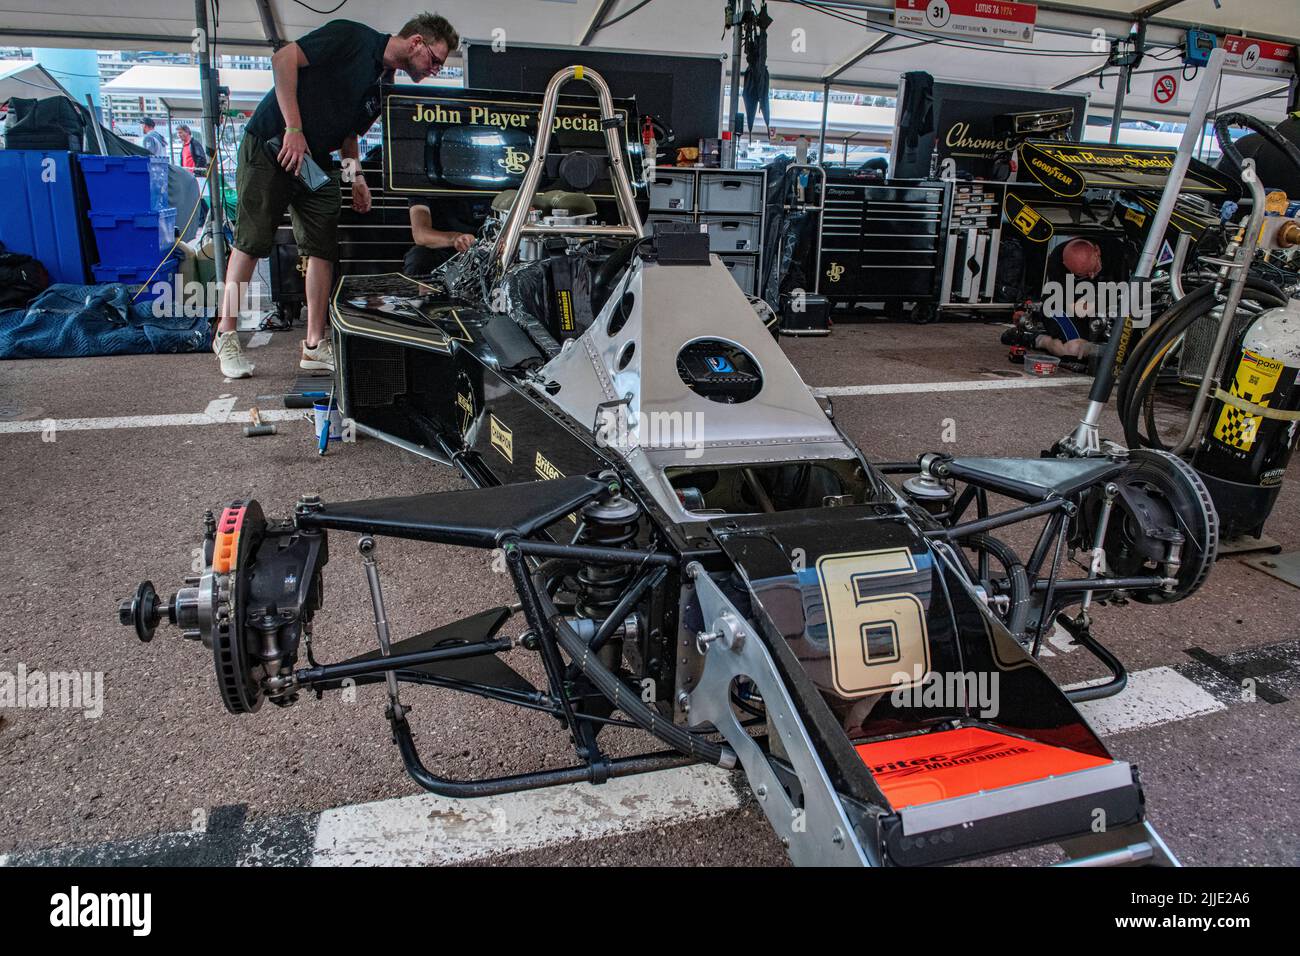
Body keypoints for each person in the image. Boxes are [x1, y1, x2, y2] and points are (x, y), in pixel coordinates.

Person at [212, 13, 458, 379]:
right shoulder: (351, 36)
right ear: (417, 42)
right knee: (251, 242)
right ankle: (226, 333)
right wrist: (294, 127)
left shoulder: (383, 83)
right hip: (271, 143)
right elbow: (282, 59)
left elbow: (349, 137)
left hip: (313, 162)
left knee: (323, 247)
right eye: (435, 60)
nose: (435, 69)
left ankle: (313, 344)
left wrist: (355, 177)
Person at [1002, 238, 1106, 366]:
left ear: (1098, 252)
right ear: (1066, 265)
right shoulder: (1058, 264)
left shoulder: (1118, 255)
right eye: (1083, 274)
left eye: (1093, 269)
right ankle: (1035, 338)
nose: (1091, 276)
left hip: (1096, 304)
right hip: (1062, 305)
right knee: (1075, 350)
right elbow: (1078, 309)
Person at [403, 195, 478, 275]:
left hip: (483, 250)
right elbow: (420, 234)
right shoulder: (423, 183)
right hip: (441, 249)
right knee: (417, 257)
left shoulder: (488, 184)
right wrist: (456, 238)